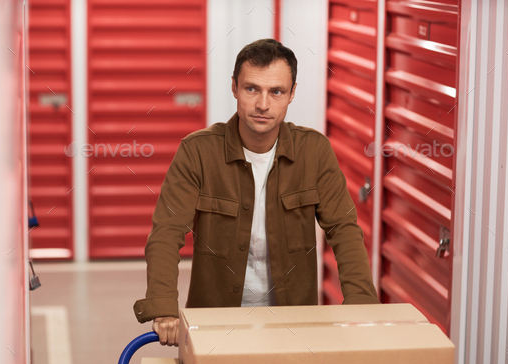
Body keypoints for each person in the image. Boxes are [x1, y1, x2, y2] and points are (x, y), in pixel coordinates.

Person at [133, 38, 379, 347]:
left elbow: (343, 229)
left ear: (292, 94)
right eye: (252, 89)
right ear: (234, 87)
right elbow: (166, 233)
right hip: (214, 324)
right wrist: (163, 307)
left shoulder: (314, 152)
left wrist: (360, 302)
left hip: (293, 325)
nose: (263, 104)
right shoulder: (197, 152)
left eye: (276, 91)